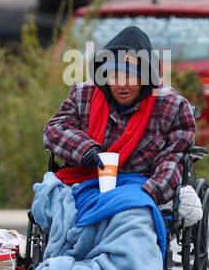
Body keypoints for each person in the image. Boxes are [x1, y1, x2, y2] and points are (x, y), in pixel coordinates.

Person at [44, 24, 196, 208]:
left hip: (138, 187)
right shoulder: (83, 94)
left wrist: (149, 194)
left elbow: (174, 159)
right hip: (85, 181)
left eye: (130, 77)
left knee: (132, 219)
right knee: (49, 199)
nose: (122, 85)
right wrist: (87, 150)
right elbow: (55, 129)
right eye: (115, 76)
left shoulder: (173, 106)